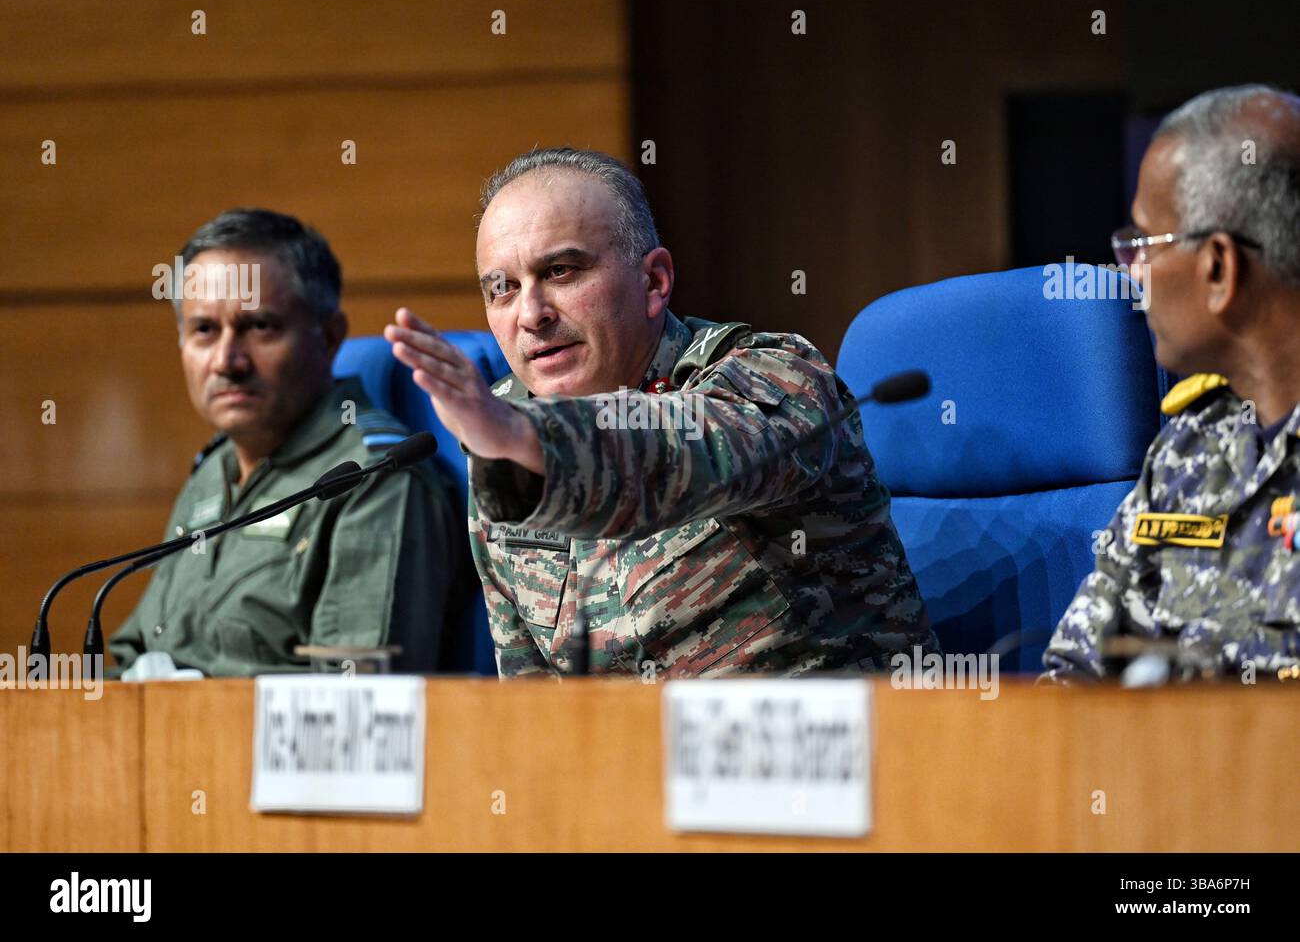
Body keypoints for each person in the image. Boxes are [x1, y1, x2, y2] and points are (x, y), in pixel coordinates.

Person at [385, 148, 936, 677]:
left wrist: (521, 437)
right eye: (502, 289)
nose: (530, 314)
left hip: (841, 755)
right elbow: (535, 701)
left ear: (653, 282)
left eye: (561, 271)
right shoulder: (503, 433)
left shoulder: (777, 377)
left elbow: (681, 446)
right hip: (635, 765)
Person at [110, 208, 469, 675]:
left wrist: (187, 703)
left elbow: (353, 699)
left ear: (330, 336)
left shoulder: (374, 480)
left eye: (259, 326)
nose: (226, 361)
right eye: (204, 330)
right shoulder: (212, 471)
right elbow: (133, 651)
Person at [1042, 85, 1300, 682]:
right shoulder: (1189, 450)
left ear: (1217, 266)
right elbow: (1075, 677)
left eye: (1141, 245)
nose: (1130, 274)